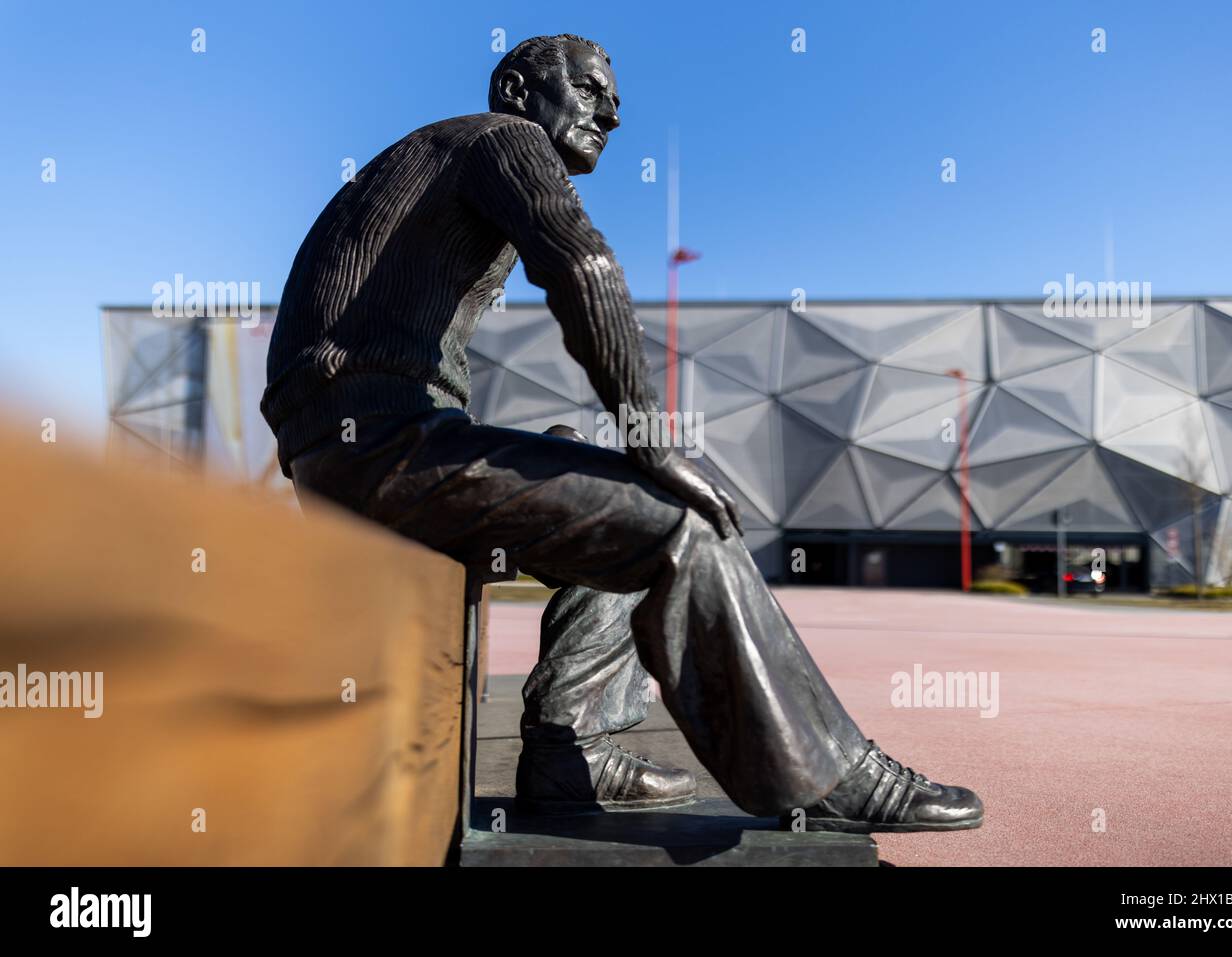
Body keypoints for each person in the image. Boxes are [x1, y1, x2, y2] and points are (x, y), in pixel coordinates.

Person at [261, 33, 983, 832]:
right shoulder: (507, 138)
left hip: (354, 446)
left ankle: (575, 752)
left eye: (615, 98)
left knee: (593, 461)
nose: (612, 112)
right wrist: (652, 438)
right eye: (593, 89)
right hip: (380, 452)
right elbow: (582, 263)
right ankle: (825, 770)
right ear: (516, 88)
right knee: (683, 523)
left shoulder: (435, 153)